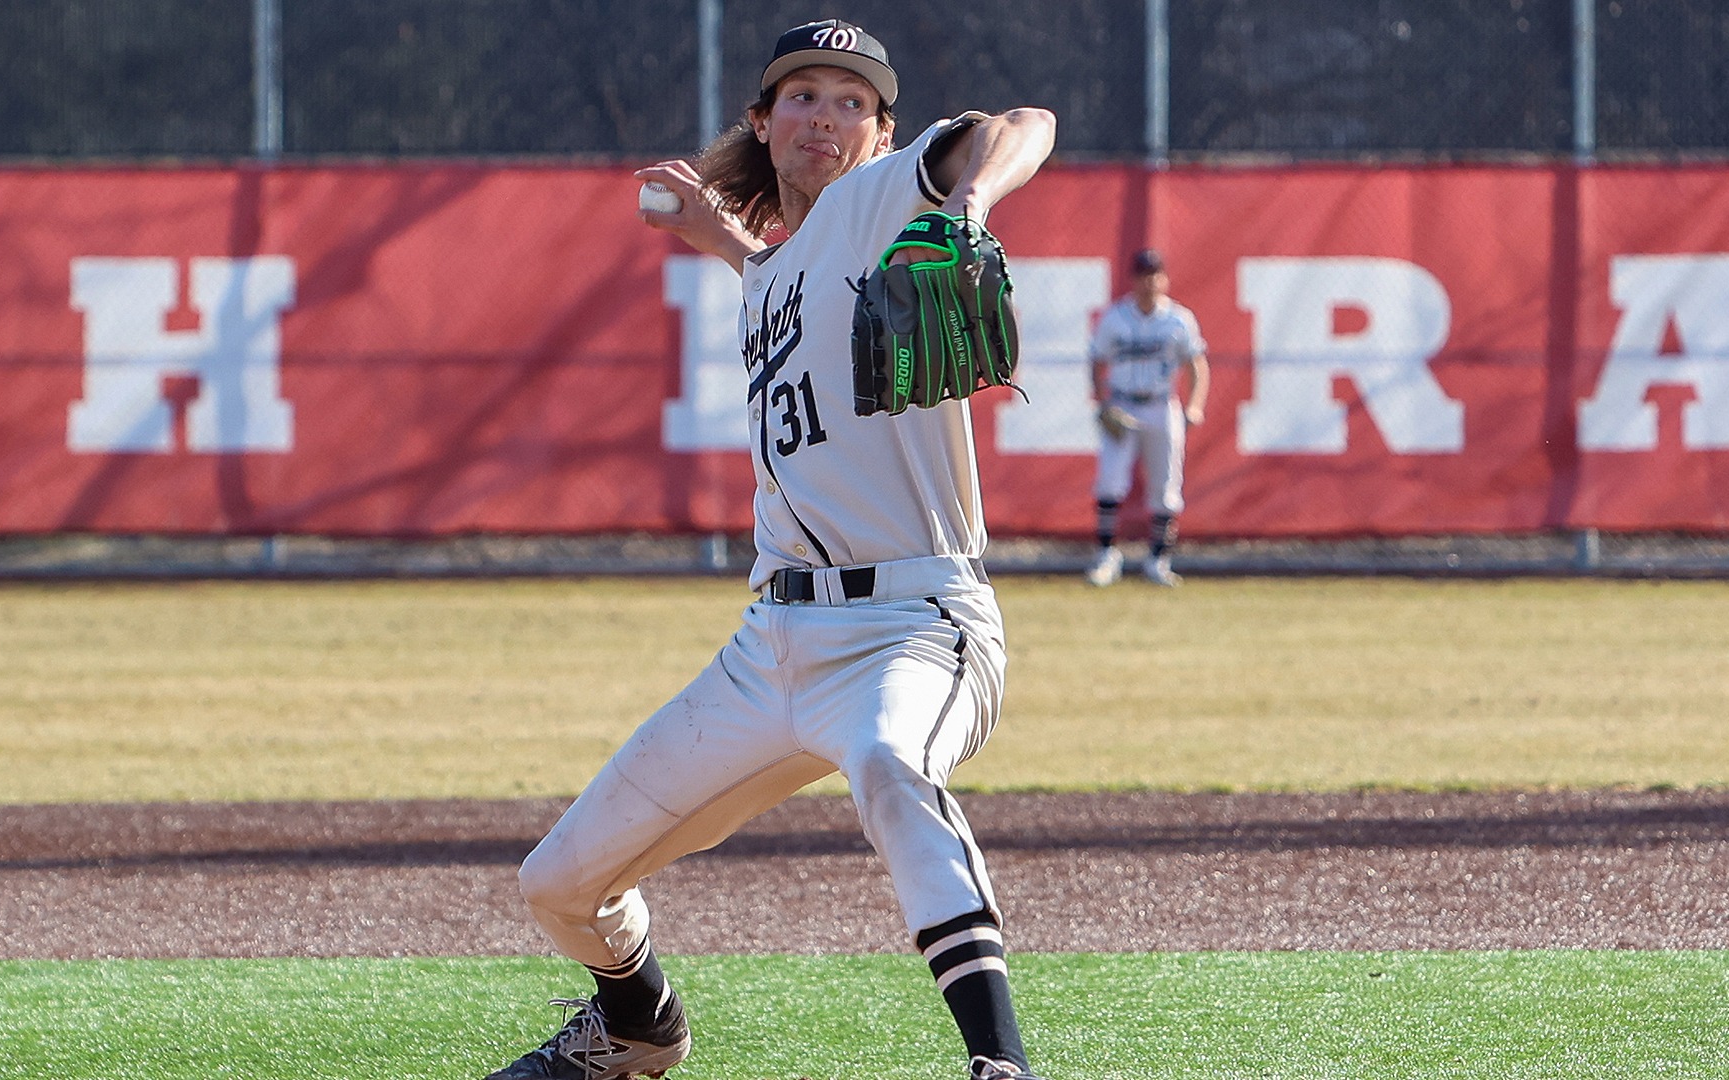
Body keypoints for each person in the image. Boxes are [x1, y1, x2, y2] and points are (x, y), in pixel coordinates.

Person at [480, 18, 1057, 1080]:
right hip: (771, 645)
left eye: (852, 101)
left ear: (882, 135)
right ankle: (638, 1024)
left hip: (912, 626)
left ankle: (1001, 1063)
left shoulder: (878, 203)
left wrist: (970, 198)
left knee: (891, 762)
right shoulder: (774, 273)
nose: (826, 116)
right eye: (803, 95)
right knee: (559, 882)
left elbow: (1018, 125)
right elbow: (779, 274)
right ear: (763, 119)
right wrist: (719, 237)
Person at [1082, 247, 1209, 587]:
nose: (1149, 281)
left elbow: (1197, 365)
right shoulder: (1115, 317)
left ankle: (1158, 560)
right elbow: (1096, 362)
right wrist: (1103, 404)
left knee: (1166, 486)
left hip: (1160, 404)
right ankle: (1107, 556)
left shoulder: (1178, 319)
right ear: (1134, 279)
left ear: (1164, 279)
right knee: (1109, 481)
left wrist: (1195, 405)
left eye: (1155, 274)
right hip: (1122, 404)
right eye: (1143, 275)